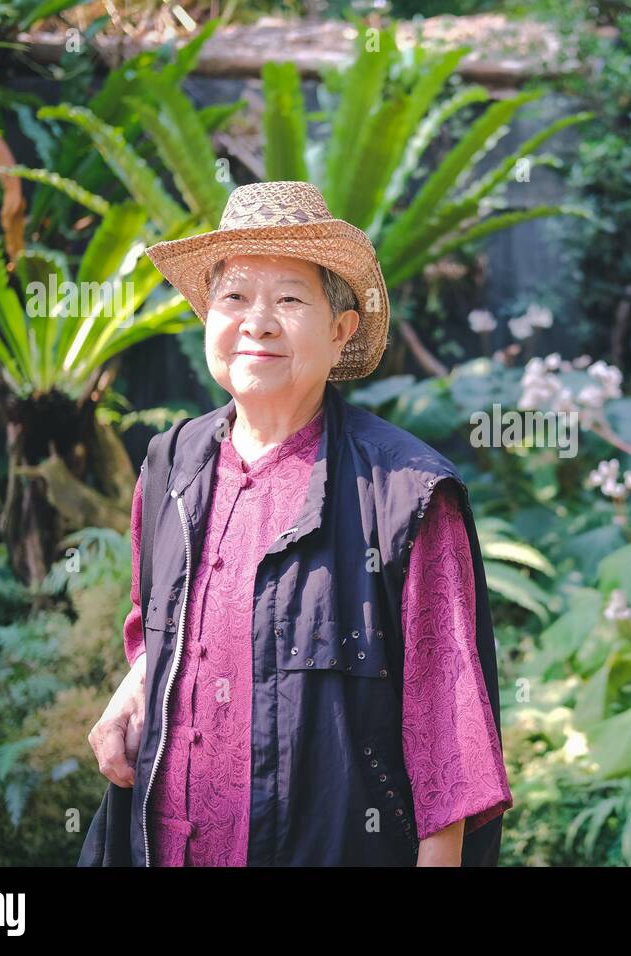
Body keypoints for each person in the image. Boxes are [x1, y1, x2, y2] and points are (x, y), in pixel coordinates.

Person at [85, 180, 512, 866]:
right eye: (233, 297)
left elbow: (449, 756)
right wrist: (133, 691)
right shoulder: (171, 463)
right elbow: (155, 628)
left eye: (288, 299)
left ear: (340, 330)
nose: (256, 322)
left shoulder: (405, 494)